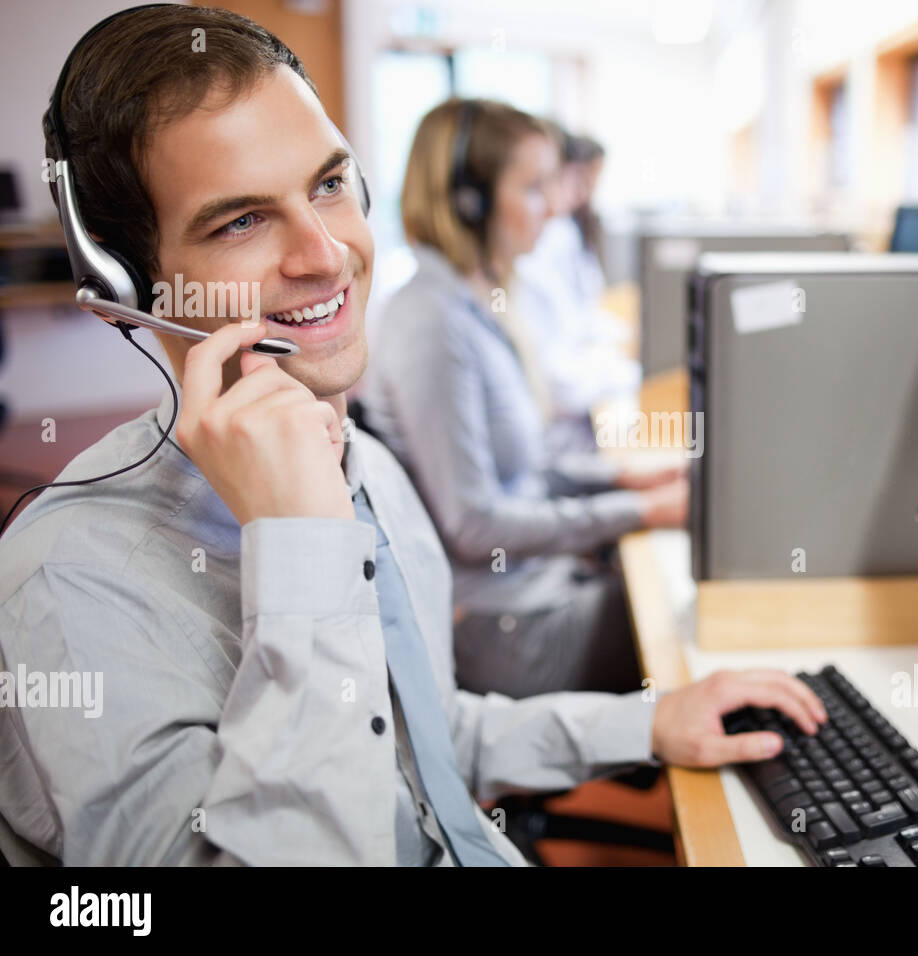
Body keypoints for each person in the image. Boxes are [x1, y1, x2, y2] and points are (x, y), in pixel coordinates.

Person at [0, 4, 825, 867]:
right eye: (240, 220)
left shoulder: (368, 467)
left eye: (328, 185)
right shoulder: (72, 587)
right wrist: (303, 551)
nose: (326, 254)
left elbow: (419, 740)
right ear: (129, 282)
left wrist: (646, 719)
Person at [363, 100, 684, 699]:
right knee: (680, 622)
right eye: (534, 188)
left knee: (671, 584)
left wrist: (625, 482)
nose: (557, 205)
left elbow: (527, 473)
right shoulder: (431, 321)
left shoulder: (476, 300)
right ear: (470, 201)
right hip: (503, 632)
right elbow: (476, 523)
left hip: (538, 591)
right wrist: (640, 512)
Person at [512, 129, 639, 457]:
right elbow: (561, 380)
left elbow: (579, 319)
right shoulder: (536, 254)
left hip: (570, 425)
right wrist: (633, 372)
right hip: (557, 439)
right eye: (536, 187)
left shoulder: (567, 232)